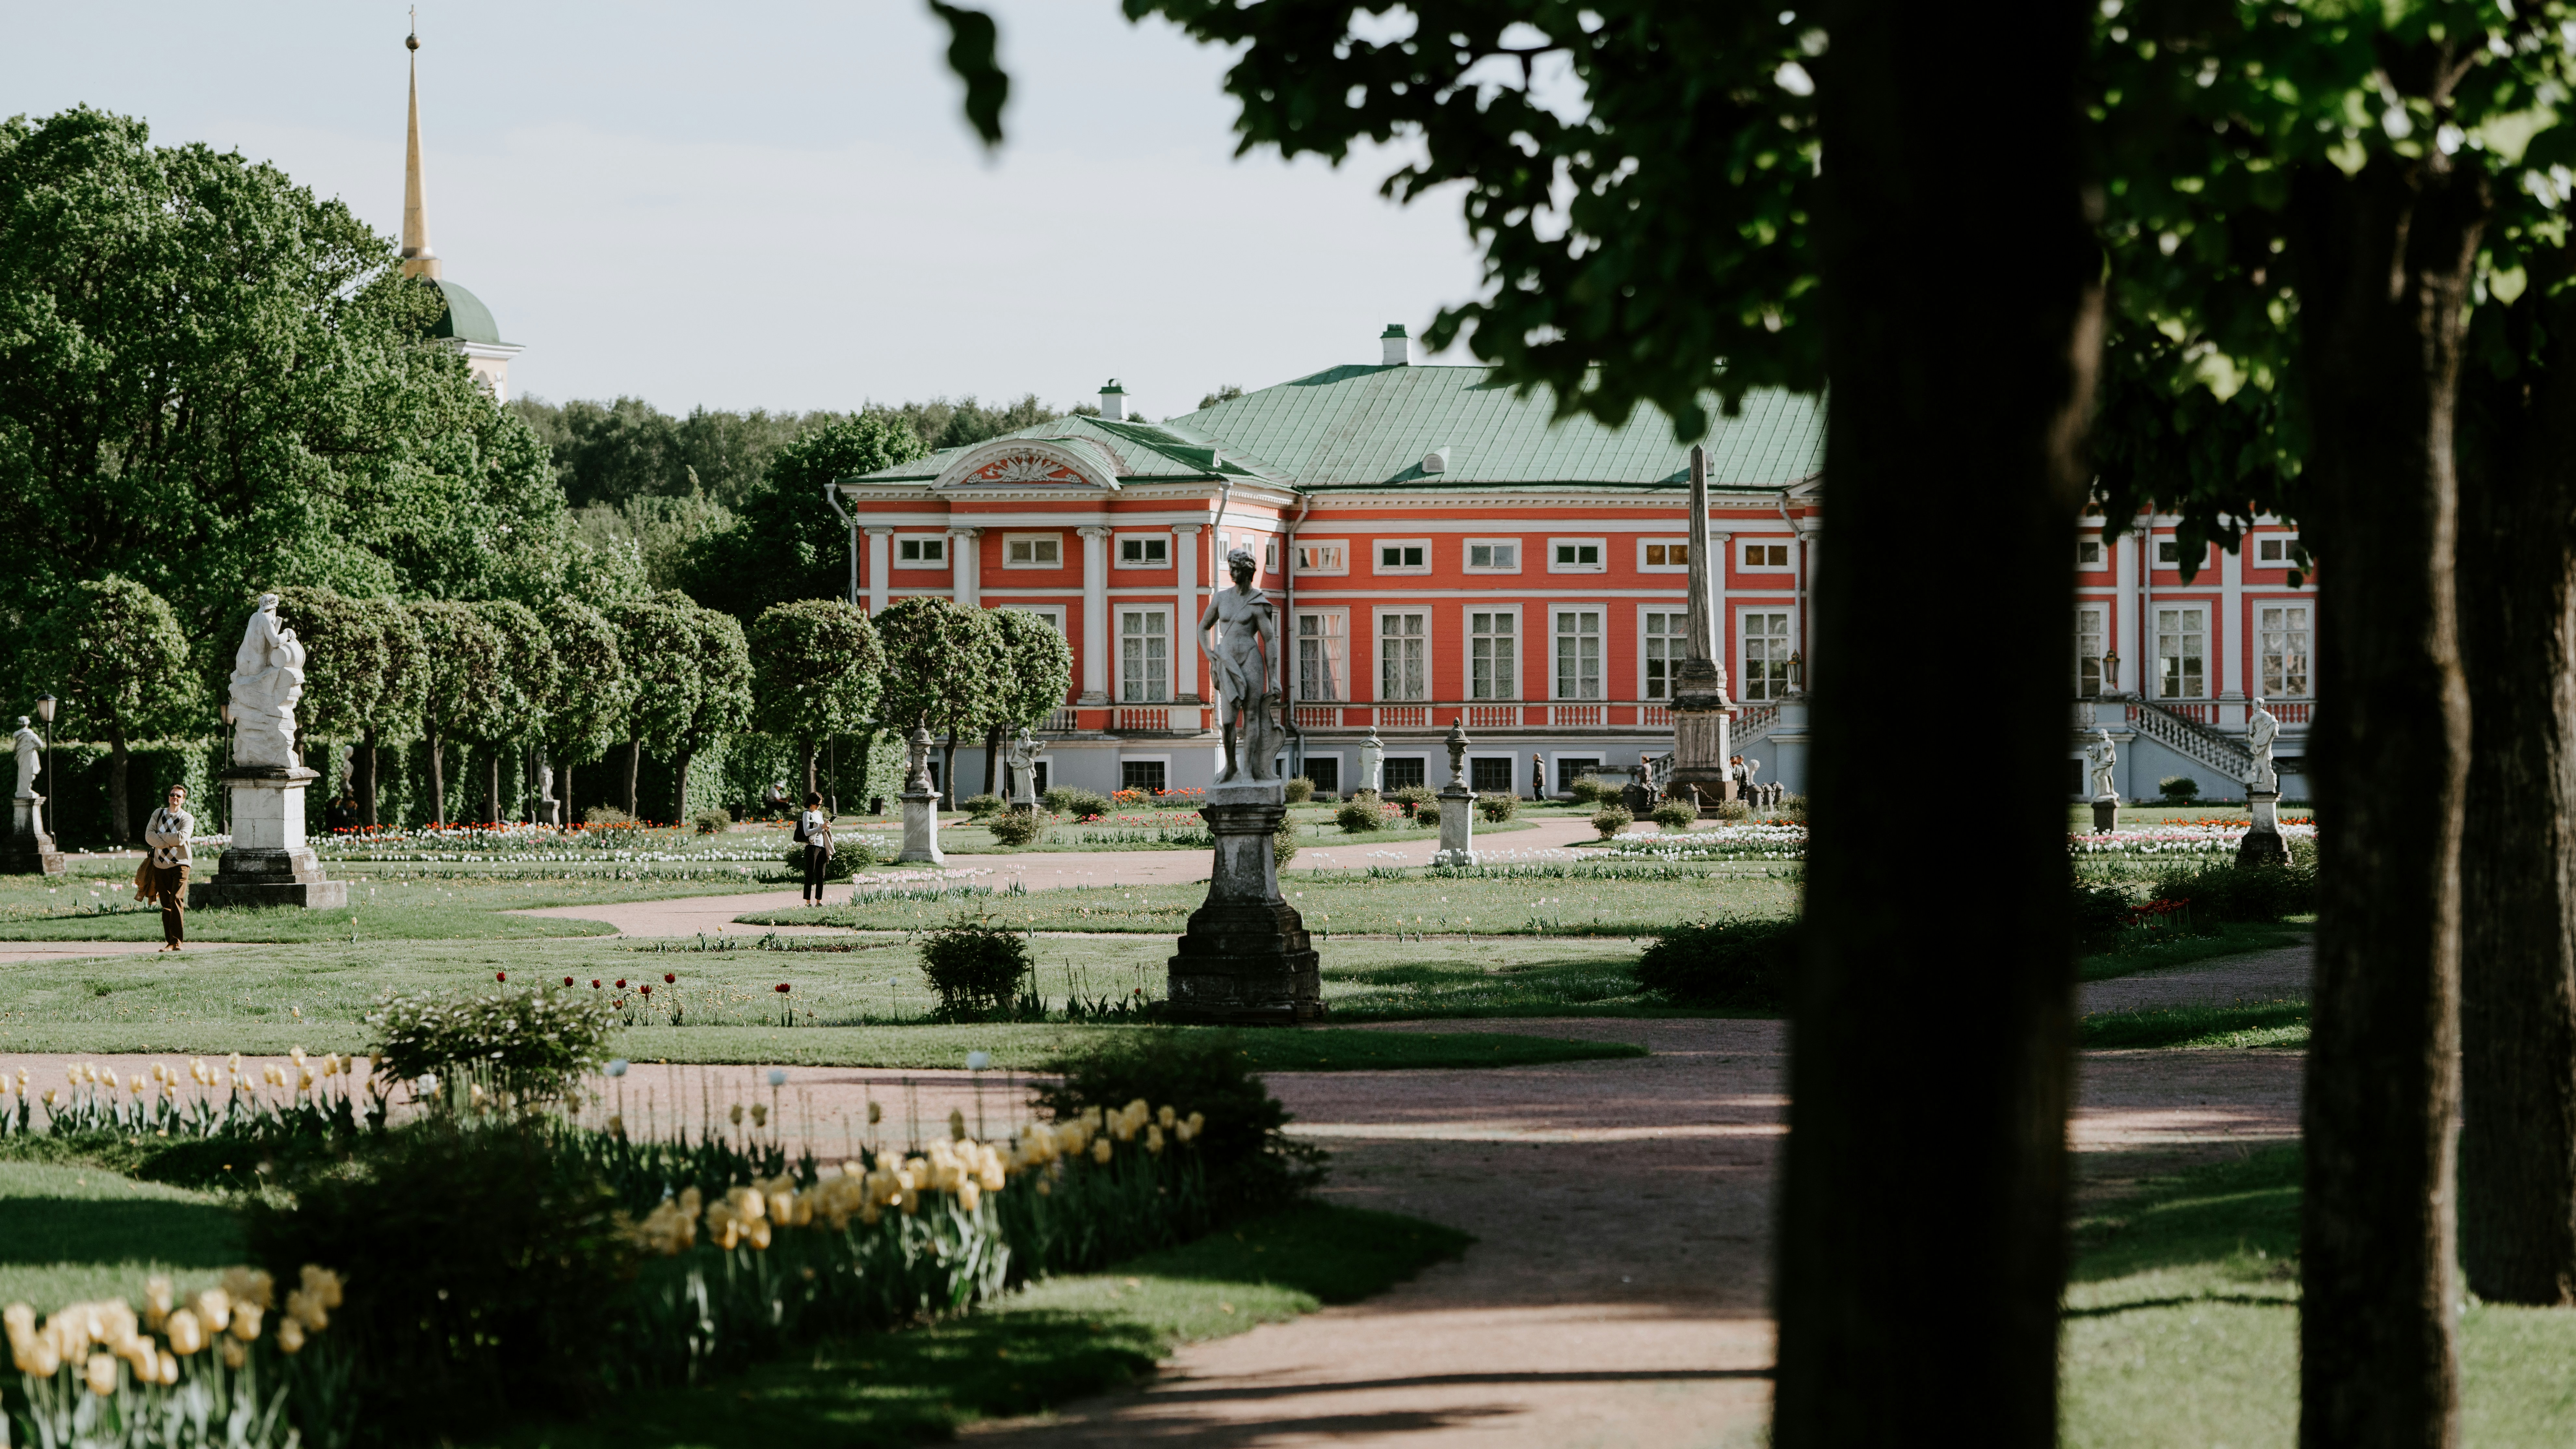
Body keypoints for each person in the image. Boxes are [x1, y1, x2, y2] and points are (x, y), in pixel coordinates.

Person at [143, 784, 193, 952]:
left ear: (183, 800)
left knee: (177, 899)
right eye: (172, 795)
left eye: (179, 796)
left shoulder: (187, 818)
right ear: (169, 797)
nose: (175, 798)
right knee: (166, 904)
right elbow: (149, 836)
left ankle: (178, 941)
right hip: (160, 864)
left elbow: (181, 838)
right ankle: (171, 942)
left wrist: (161, 837)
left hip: (181, 864)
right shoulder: (158, 814)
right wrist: (168, 841)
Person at [796, 791, 834, 905]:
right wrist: (821, 827)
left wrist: (826, 828)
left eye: (820, 804)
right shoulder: (807, 814)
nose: (818, 806)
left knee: (821, 875)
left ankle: (819, 902)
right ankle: (808, 902)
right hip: (812, 846)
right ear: (811, 803)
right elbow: (807, 832)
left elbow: (821, 830)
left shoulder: (820, 814)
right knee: (810, 873)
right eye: (817, 804)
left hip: (822, 846)